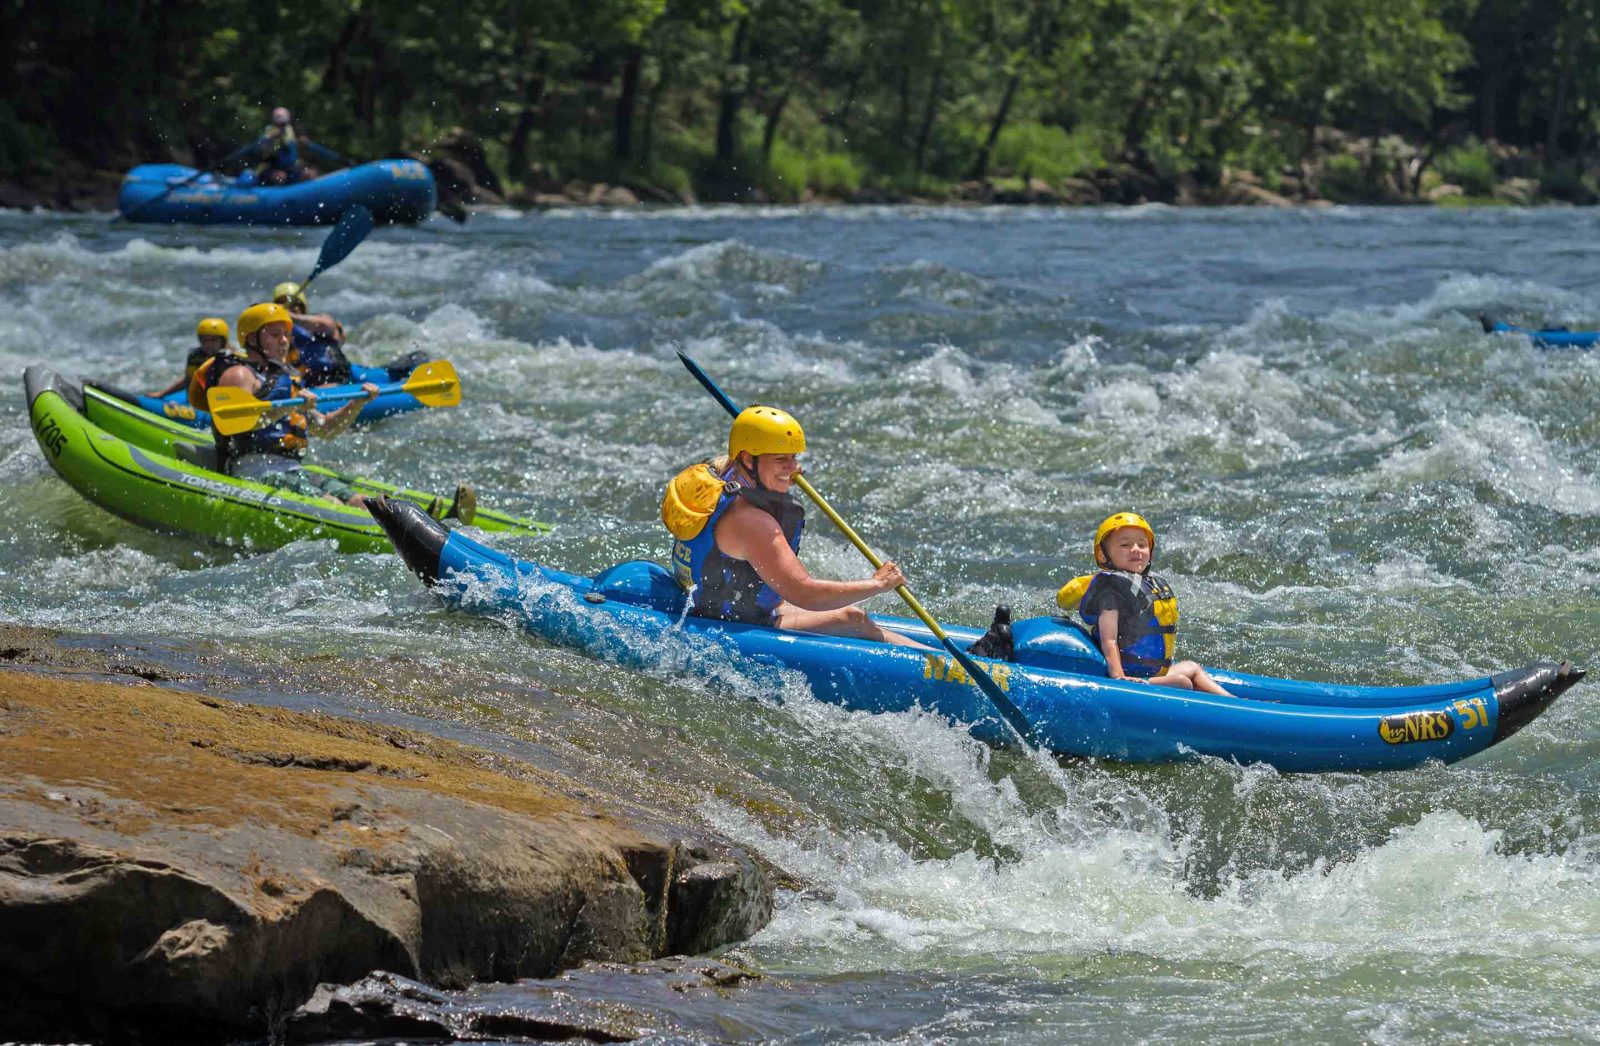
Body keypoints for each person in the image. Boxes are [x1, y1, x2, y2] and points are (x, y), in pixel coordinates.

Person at [662, 406, 923, 646]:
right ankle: (954, 674)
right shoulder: (752, 523)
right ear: (749, 460)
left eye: (793, 457)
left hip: (714, 604)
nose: (794, 467)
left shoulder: (717, 476)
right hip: (735, 625)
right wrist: (878, 584)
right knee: (854, 619)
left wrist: (778, 473)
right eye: (780, 459)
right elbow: (807, 595)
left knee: (835, 612)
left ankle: (943, 655)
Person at [215, 302, 473, 520]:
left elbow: (325, 429)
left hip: (291, 468)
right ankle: (403, 537)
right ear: (251, 338)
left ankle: (427, 524)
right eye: (274, 335)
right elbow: (242, 424)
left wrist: (357, 404)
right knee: (330, 502)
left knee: (361, 500)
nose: (284, 341)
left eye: (286, 334)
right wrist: (287, 407)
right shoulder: (239, 374)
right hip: (256, 471)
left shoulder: (289, 379)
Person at [1060, 512, 1230, 694]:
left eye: (1142, 544)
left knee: (1192, 667)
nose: (1135, 549)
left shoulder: (1146, 584)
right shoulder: (1111, 591)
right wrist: (1118, 677)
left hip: (1151, 673)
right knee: (1183, 682)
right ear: (1103, 555)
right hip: (1129, 674)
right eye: (1125, 545)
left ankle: (1234, 702)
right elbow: (1109, 640)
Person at [272, 281, 354, 385]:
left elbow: (329, 325)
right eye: (282, 303)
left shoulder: (317, 322)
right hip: (305, 382)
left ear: (302, 307)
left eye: (293, 304)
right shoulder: (276, 334)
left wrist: (291, 316)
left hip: (334, 377)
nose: (289, 307)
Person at [241, 107, 343, 186]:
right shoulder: (268, 137)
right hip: (270, 171)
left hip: (290, 170)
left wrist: (338, 158)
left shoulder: (293, 136)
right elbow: (262, 155)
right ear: (274, 123)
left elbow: (312, 150)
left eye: (283, 125)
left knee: (310, 174)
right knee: (280, 177)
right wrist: (271, 142)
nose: (281, 128)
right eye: (278, 125)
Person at [148, 318, 238, 398]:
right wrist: (162, 394)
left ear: (223, 341)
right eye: (205, 340)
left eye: (213, 340)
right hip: (197, 399)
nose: (208, 344)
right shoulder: (195, 356)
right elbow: (188, 380)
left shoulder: (232, 359)